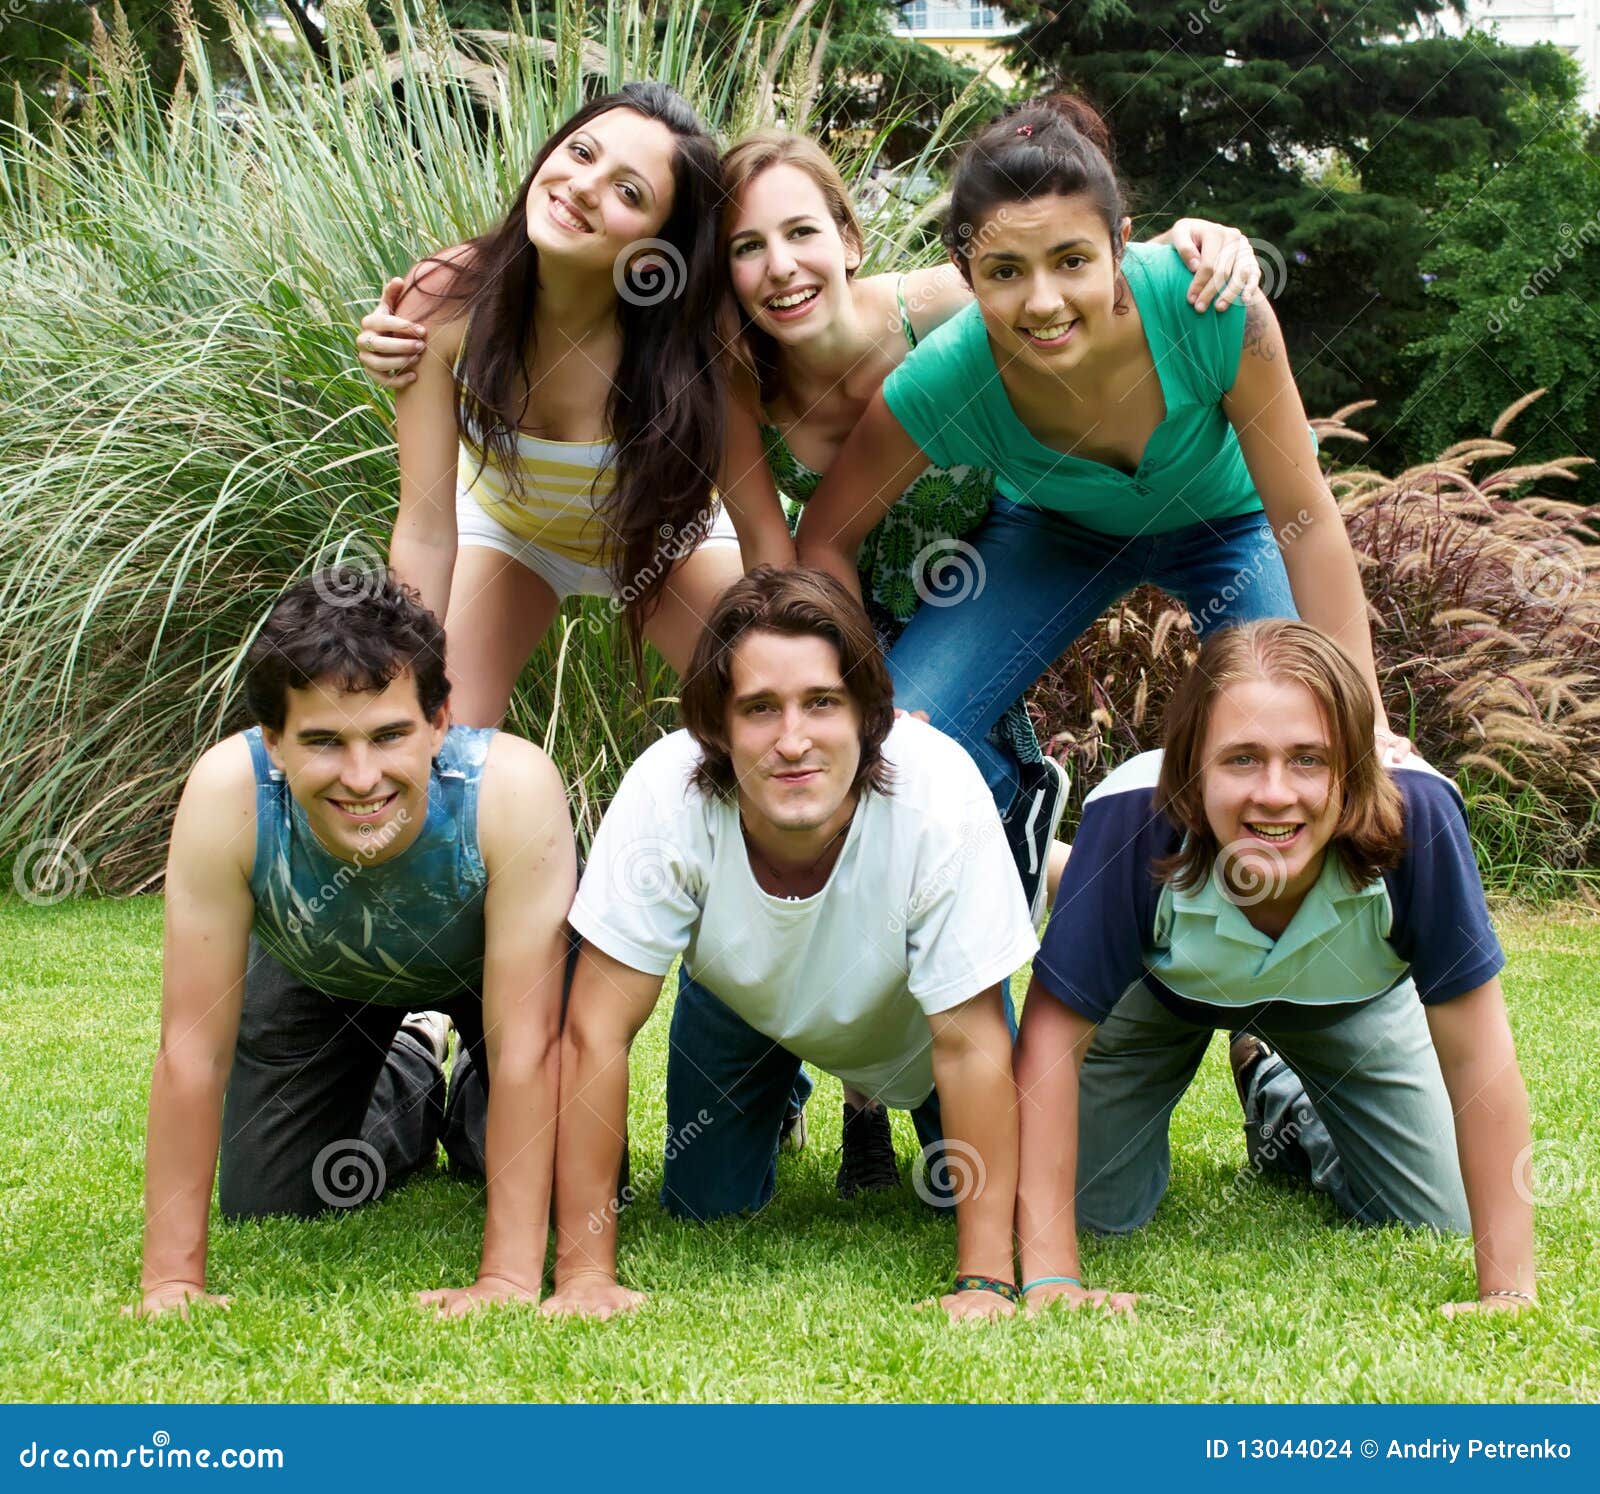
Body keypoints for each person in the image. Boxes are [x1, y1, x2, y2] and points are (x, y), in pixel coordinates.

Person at [358, 123, 1261, 1195]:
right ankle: (522, 1037)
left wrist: (1199, 241)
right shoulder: (696, 352)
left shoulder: (931, 308)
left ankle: (917, 1026)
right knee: (584, 757)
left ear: (848, 238)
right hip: (736, 580)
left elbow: (1061, 255)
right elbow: (773, 551)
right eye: (748, 247)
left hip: (902, 578)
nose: (779, 265)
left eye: (802, 234)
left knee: (871, 767)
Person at [796, 93, 1411, 832]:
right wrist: (863, 693)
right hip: (1053, 530)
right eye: (1004, 271)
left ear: (1121, 244)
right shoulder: (948, 380)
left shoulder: (1214, 308)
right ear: (963, 270)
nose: (1043, 302)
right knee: (894, 757)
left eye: (1072, 261)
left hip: (1232, 523)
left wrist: (1368, 722)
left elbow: (1304, 520)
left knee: (1302, 741)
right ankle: (1015, 806)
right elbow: (826, 537)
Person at [540, 567, 1040, 1323]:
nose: (793, 740)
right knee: (705, 1207)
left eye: (822, 703)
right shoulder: (665, 792)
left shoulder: (939, 792)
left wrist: (985, 1281)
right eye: (760, 708)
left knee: (975, 1199)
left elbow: (971, 1048)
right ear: (716, 726)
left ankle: (869, 1103)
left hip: (917, 1017)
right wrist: (583, 1274)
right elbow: (594, 1033)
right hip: (742, 998)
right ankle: (781, 1097)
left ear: (869, 715)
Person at [1012, 620, 1536, 1318]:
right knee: (1090, 1211)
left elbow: (1479, 1058)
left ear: (1355, 769)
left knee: (1438, 1212)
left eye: (1309, 759)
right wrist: (1052, 1279)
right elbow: (1049, 1049)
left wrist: (1507, 1289)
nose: (1275, 793)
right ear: (1192, 768)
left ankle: (1273, 1090)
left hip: (1346, 1001)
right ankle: (1073, 880)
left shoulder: (1422, 817)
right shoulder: (1132, 814)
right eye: (1242, 759)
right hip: (1161, 993)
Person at [129, 569, 576, 1319]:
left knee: (568, 1186)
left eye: (390, 735)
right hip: (321, 973)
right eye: (323, 741)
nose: (362, 777)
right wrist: (171, 1283)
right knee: (271, 1199)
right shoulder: (228, 794)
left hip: (493, 981)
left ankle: (475, 1088)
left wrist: (505, 1278)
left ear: (439, 722)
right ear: (274, 741)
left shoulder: (511, 789)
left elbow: (530, 1047)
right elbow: (190, 1049)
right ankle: (412, 1067)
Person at [379, 82, 781, 727]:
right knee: (439, 737)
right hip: (511, 533)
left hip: (667, 543)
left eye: (629, 192)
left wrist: (797, 667)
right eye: (582, 152)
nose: (584, 186)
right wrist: (405, 682)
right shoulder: (445, 297)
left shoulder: (700, 341)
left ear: (657, 251)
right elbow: (425, 527)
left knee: (763, 713)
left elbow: (761, 531)